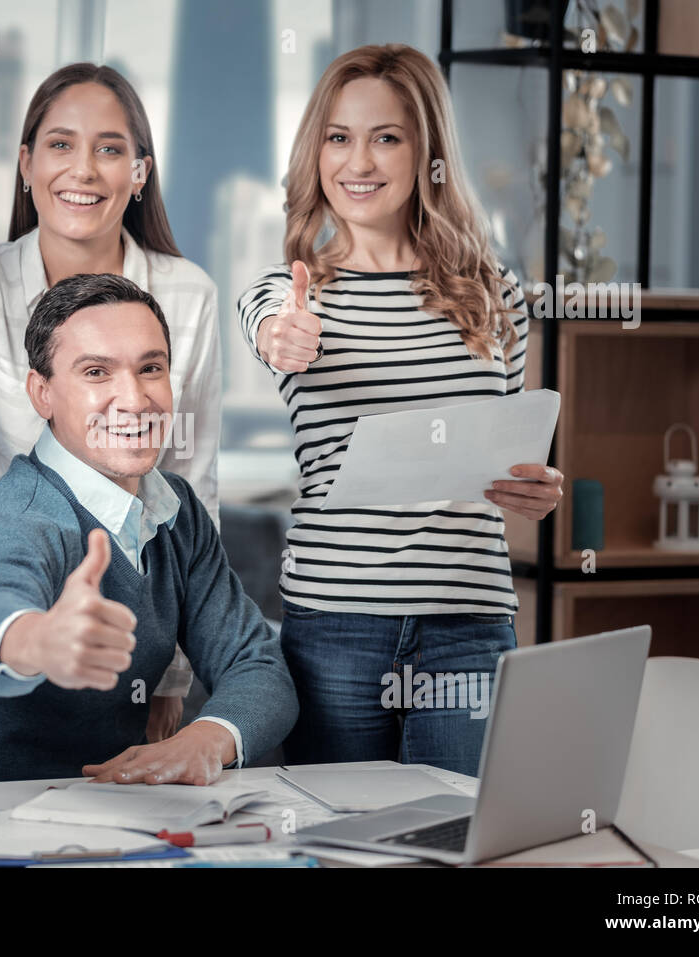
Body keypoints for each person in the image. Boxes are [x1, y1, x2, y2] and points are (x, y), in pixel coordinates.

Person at [237, 45, 564, 776]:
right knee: (339, 829)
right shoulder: (288, 293)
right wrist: (282, 336)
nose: (359, 161)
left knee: (460, 829)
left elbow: (506, 450)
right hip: (336, 626)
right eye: (338, 137)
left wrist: (536, 488)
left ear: (428, 154)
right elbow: (269, 330)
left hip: (468, 621)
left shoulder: (496, 294)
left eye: (386, 137)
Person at [0, 64, 222, 742]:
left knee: (107, 770)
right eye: (61, 144)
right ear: (26, 164)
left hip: (131, 562)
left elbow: (193, 481)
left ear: (140, 172)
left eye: (110, 148)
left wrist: (173, 672)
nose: (84, 169)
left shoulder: (189, 294)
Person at [0, 274, 297, 787]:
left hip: (107, 812)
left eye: (151, 369)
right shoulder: (3, 521)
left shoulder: (177, 510)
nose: (135, 400)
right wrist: (40, 641)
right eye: (97, 372)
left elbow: (256, 663)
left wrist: (206, 739)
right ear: (42, 394)